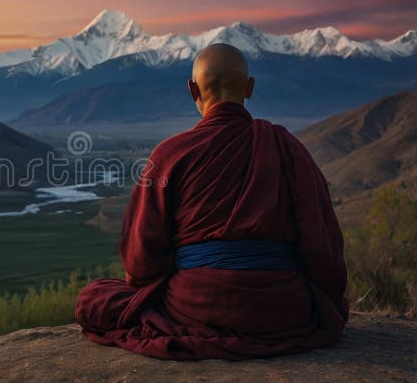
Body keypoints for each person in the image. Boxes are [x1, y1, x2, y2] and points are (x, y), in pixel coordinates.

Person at [75, 43, 348, 360]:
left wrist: (165, 286)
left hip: (195, 305)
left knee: (94, 298)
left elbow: (141, 264)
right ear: (249, 88)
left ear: (192, 90)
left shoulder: (169, 154)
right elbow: (322, 248)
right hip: (282, 309)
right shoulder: (287, 147)